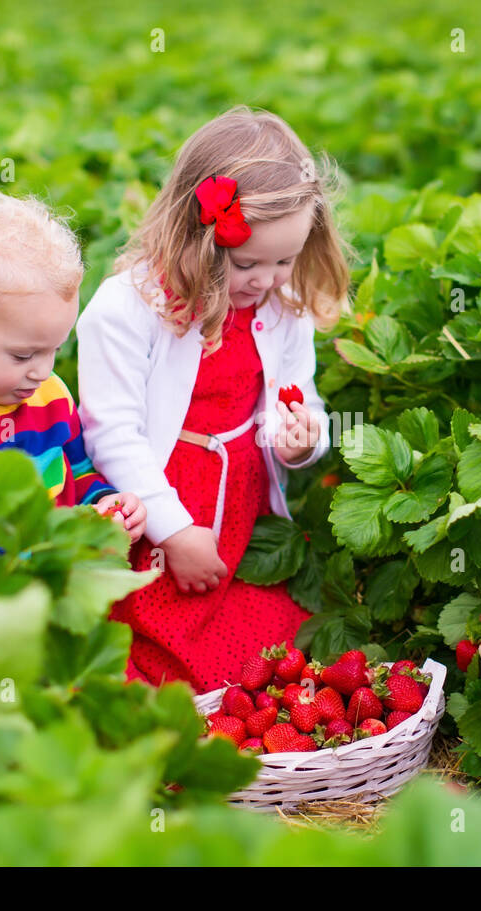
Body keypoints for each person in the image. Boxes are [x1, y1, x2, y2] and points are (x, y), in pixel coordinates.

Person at [76, 106, 354, 693]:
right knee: (160, 637)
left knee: (271, 650)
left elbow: (300, 398)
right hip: (161, 503)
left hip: (243, 509)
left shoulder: (283, 306)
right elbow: (112, 435)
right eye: (247, 263)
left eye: (286, 259)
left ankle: (246, 730)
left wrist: (303, 441)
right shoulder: (128, 309)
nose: (268, 279)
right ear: (196, 239)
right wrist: (175, 532)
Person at [0, 189, 146, 553]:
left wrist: (106, 505)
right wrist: (57, 540)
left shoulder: (49, 394)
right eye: (22, 356)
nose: (43, 371)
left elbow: (77, 474)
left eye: (55, 350)